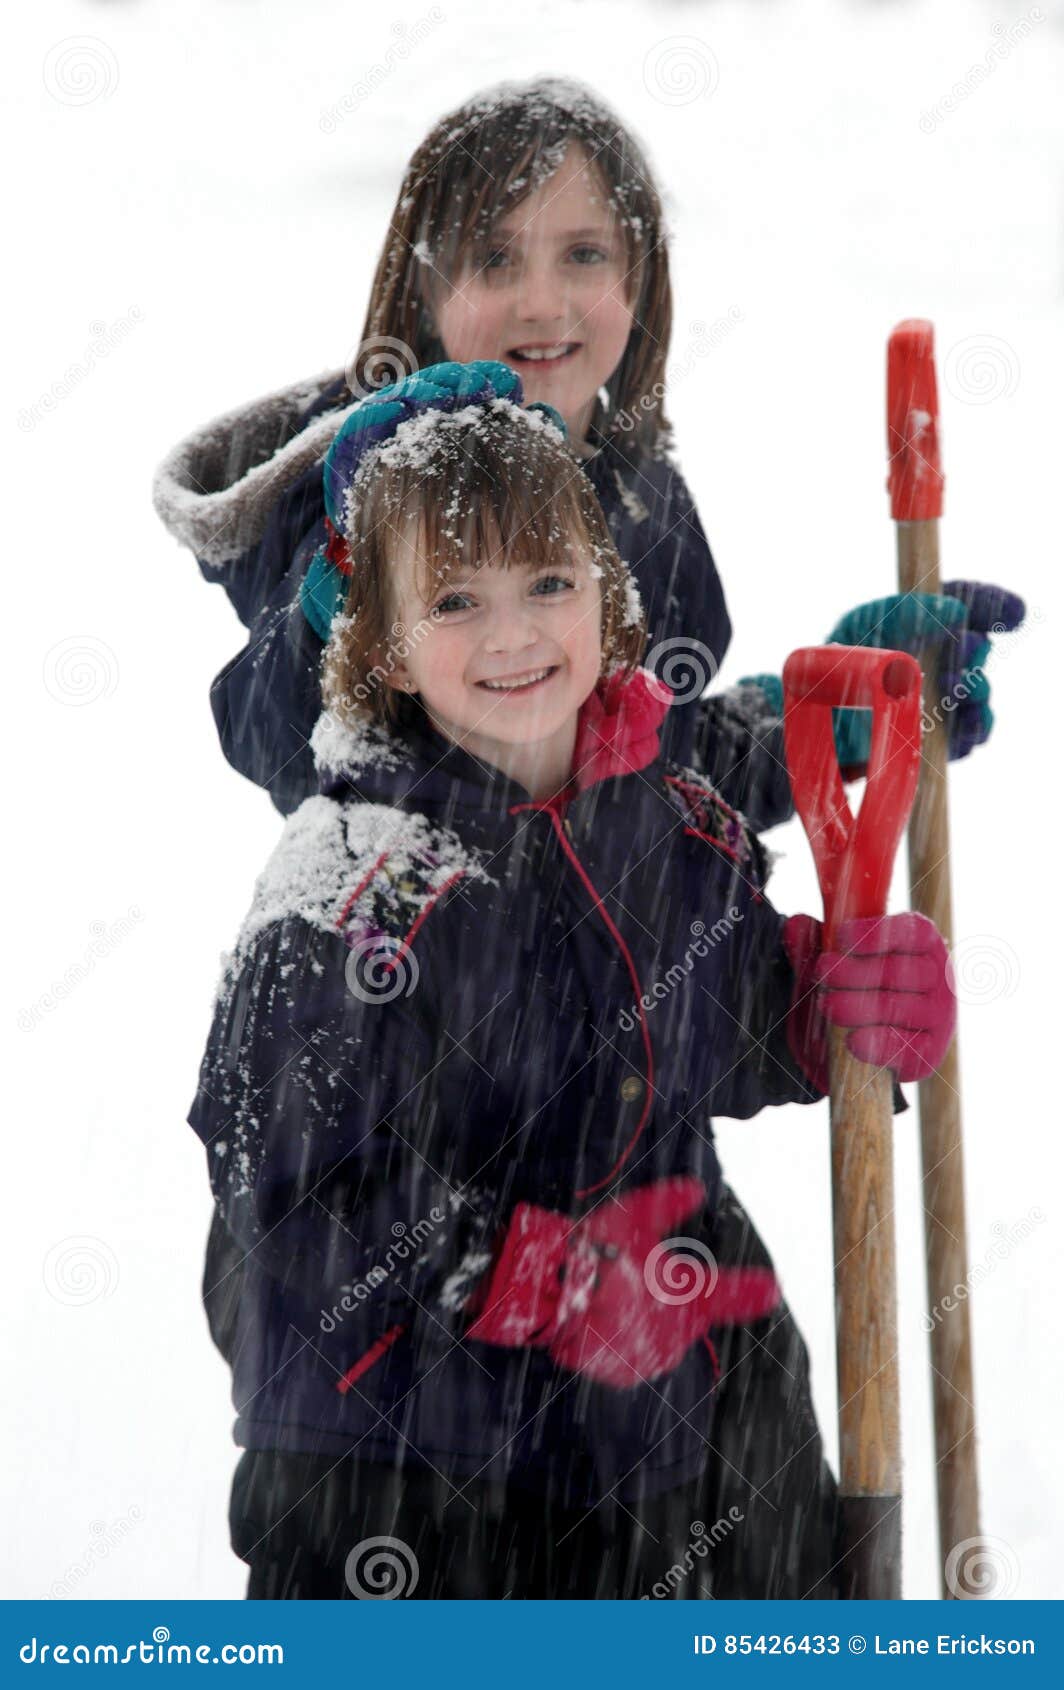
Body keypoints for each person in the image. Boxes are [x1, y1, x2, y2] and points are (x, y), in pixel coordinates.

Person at [189, 365, 956, 1599]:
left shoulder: (661, 817)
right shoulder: (344, 895)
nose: (512, 632)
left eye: (548, 580)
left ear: (608, 586)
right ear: (378, 640)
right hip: (422, 1504)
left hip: (652, 1454)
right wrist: (527, 1280)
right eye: (453, 597)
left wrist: (820, 1009)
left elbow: (705, 1013)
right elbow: (285, 1230)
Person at [152, 77, 1022, 828]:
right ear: (420, 293)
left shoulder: (643, 499)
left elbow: (650, 785)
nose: (543, 301)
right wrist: (348, 570)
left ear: (639, 280)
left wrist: (815, 725)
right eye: (493, 259)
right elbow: (281, 744)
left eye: (584, 255)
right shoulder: (375, 489)